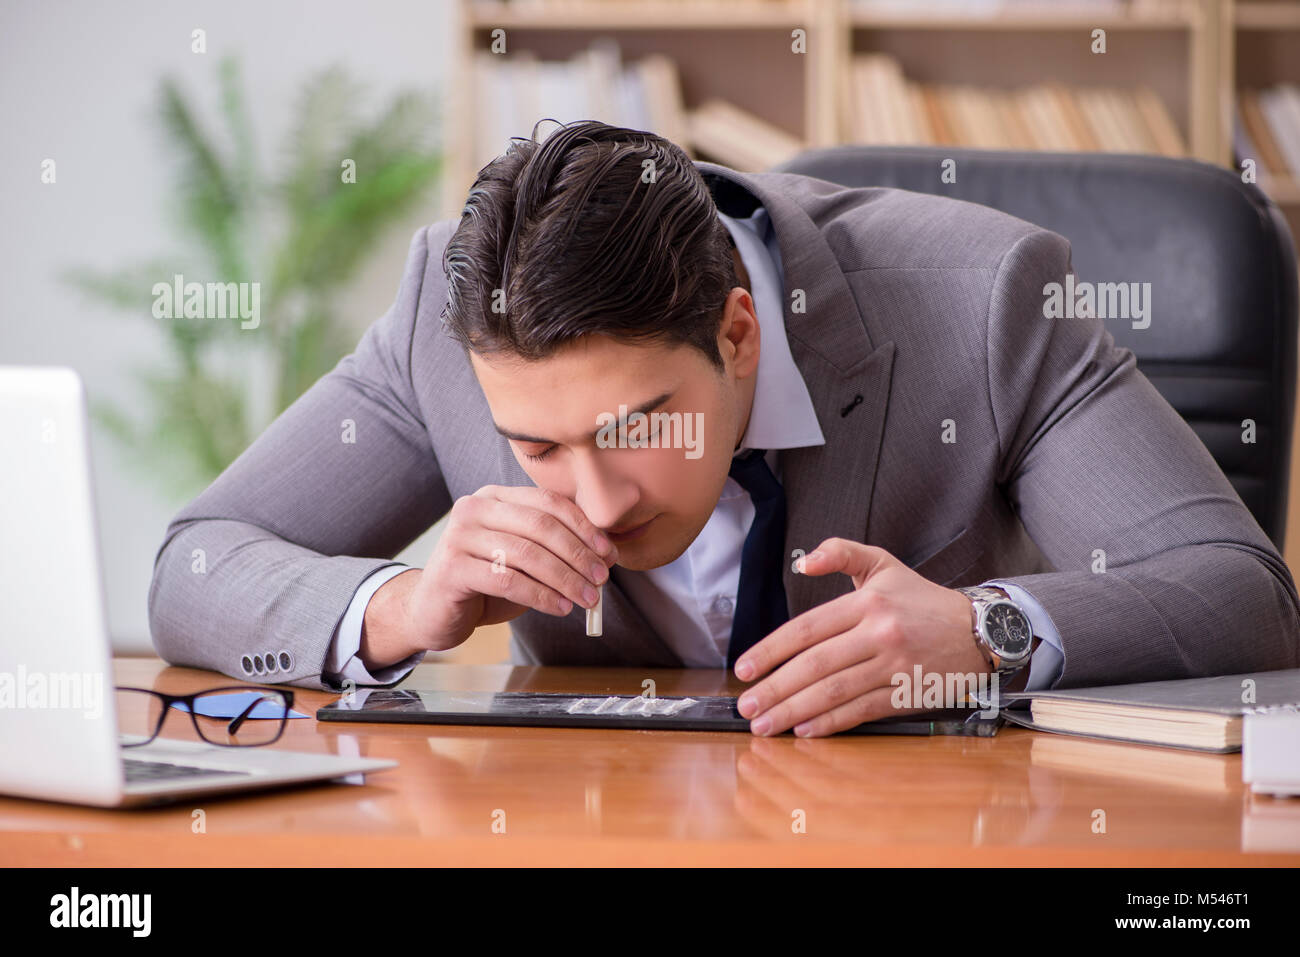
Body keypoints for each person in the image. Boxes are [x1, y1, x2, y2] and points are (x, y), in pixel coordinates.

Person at [148, 120, 1300, 737]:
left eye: (633, 424)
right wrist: (395, 606)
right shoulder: (442, 330)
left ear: (738, 334)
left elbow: (1243, 594)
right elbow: (194, 562)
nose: (593, 503)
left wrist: (987, 636)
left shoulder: (986, 301)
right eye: (539, 449)